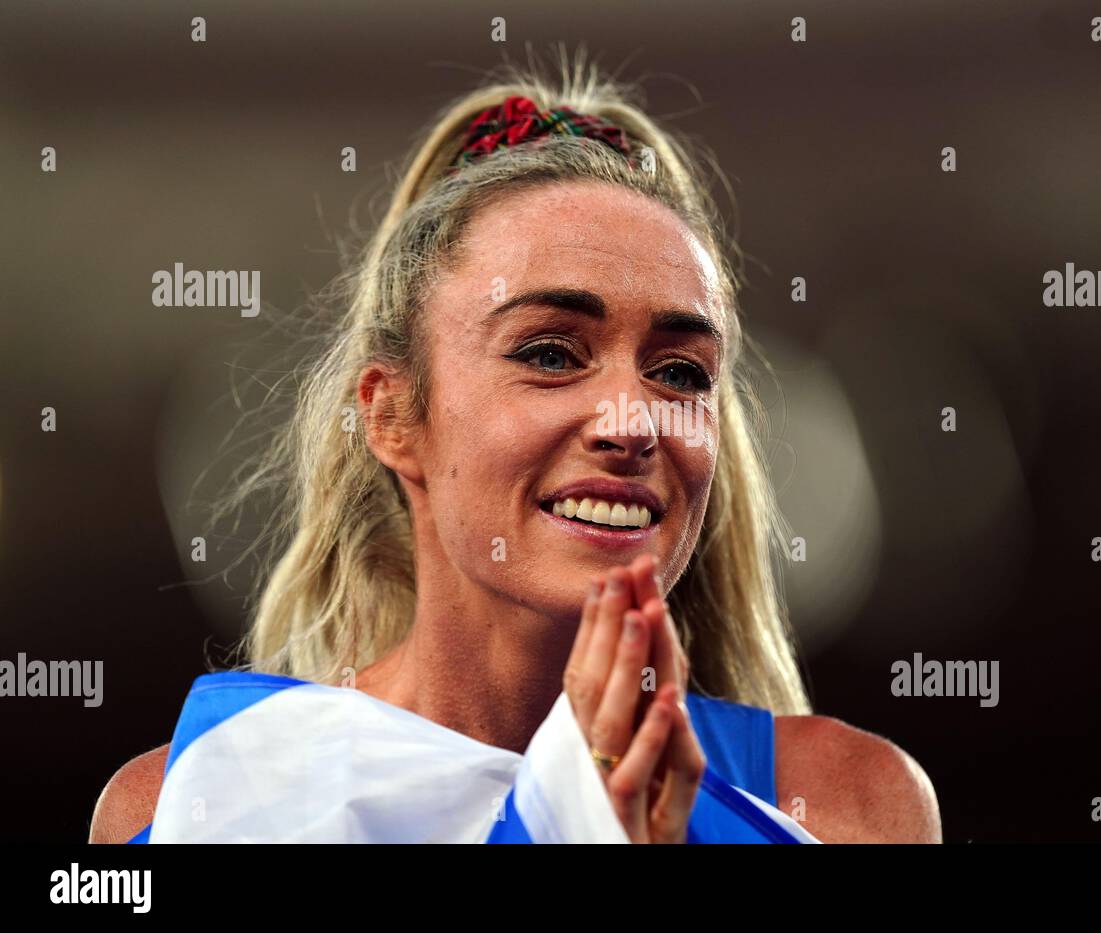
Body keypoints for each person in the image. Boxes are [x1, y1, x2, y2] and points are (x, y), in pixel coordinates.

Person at [89, 55, 941, 843]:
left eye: (680, 372)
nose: (633, 422)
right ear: (391, 416)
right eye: (549, 353)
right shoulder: (197, 798)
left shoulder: (851, 805)